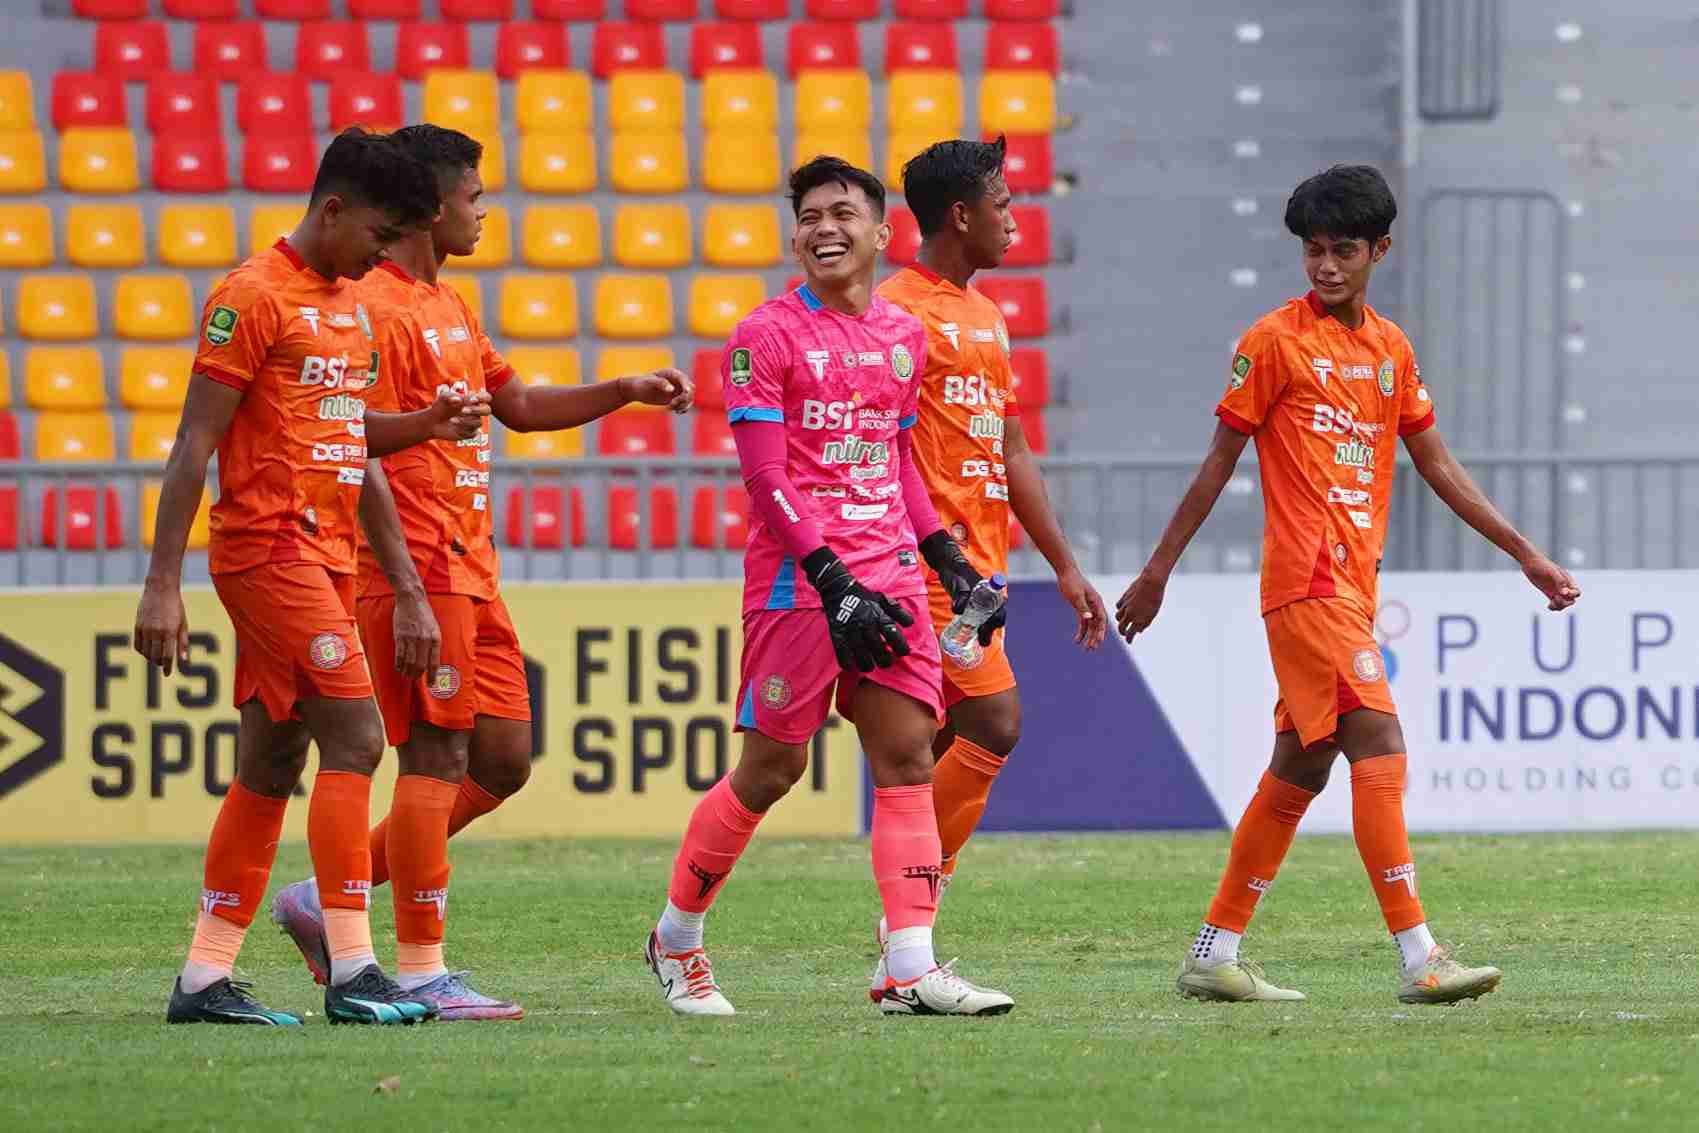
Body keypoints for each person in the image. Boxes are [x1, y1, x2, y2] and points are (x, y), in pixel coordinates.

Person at [1115, 164, 1581, 1004]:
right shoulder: (1273, 341)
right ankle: (1419, 955)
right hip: (1306, 580)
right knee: (1378, 741)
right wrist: (1157, 571)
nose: (1325, 266)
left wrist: (1524, 552)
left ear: (1379, 250)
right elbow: (1218, 463)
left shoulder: (1390, 350)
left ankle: (1212, 951)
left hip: (1352, 587)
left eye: (1343, 250)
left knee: (1301, 762)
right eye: (1313, 250)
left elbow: (1434, 463)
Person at [269, 125, 694, 1021]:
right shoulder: (374, 306)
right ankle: (423, 969)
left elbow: (519, 406)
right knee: (437, 754)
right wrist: (408, 585)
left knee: (501, 759)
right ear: (430, 206)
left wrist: (620, 390)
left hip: (471, 565)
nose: (483, 209)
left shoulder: (451, 304)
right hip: (415, 567)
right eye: (472, 194)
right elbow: (357, 446)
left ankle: (324, 893)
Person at [135, 128, 492, 1026]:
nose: (381, 253)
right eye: (376, 234)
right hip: (268, 548)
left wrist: (429, 427)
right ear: (332, 209)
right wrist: (162, 582)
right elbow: (194, 444)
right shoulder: (249, 297)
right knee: (360, 738)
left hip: (329, 556)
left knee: (272, 759)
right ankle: (353, 967)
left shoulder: (350, 306)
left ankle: (205, 976)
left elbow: (351, 441)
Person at [643, 155, 1012, 1018]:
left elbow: (894, 461)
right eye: (809, 215)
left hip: (886, 581)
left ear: (881, 233)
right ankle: (676, 938)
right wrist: (830, 579)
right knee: (771, 769)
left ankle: (907, 967)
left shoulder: (902, 335)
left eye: (842, 212)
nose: (823, 228)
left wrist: (947, 559)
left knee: (908, 758)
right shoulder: (761, 337)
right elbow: (765, 479)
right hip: (800, 588)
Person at [874, 137, 1107, 985]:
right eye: (1003, 203)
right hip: (919, 565)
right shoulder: (896, 311)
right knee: (993, 721)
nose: (1015, 219)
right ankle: (907, 926)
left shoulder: (985, 316)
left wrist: (1066, 568)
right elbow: (878, 443)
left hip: (982, 574)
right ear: (961, 215)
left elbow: (1010, 451)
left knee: (938, 742)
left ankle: (905, 944)